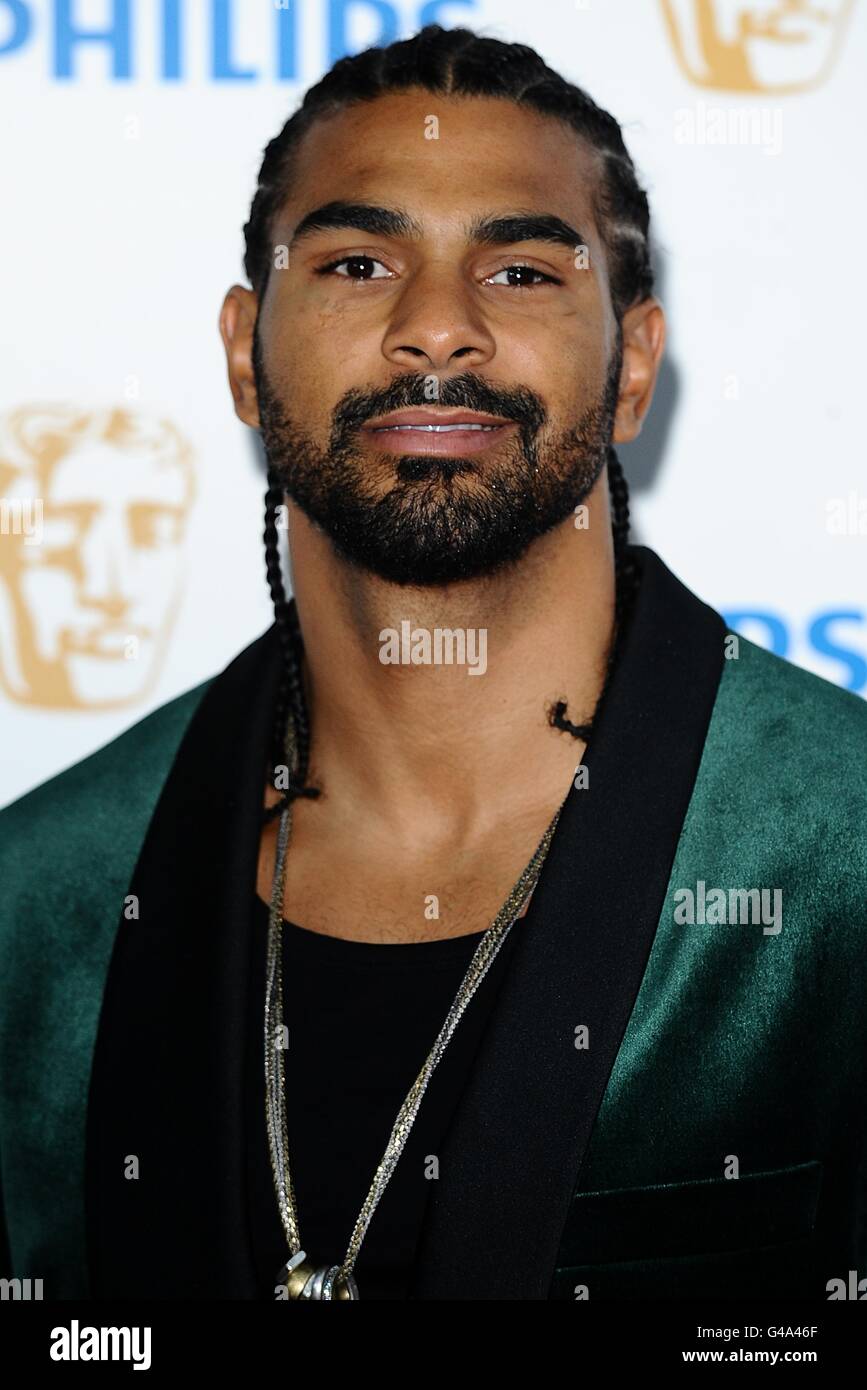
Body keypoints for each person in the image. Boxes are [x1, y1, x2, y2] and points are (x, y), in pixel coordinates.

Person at [1, 24, 864, 1303]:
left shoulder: (841, 852)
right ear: (244, 354)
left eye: (519, 272)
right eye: (358, 262)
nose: (438, 332)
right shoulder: (39, 902)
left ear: (632, 368)